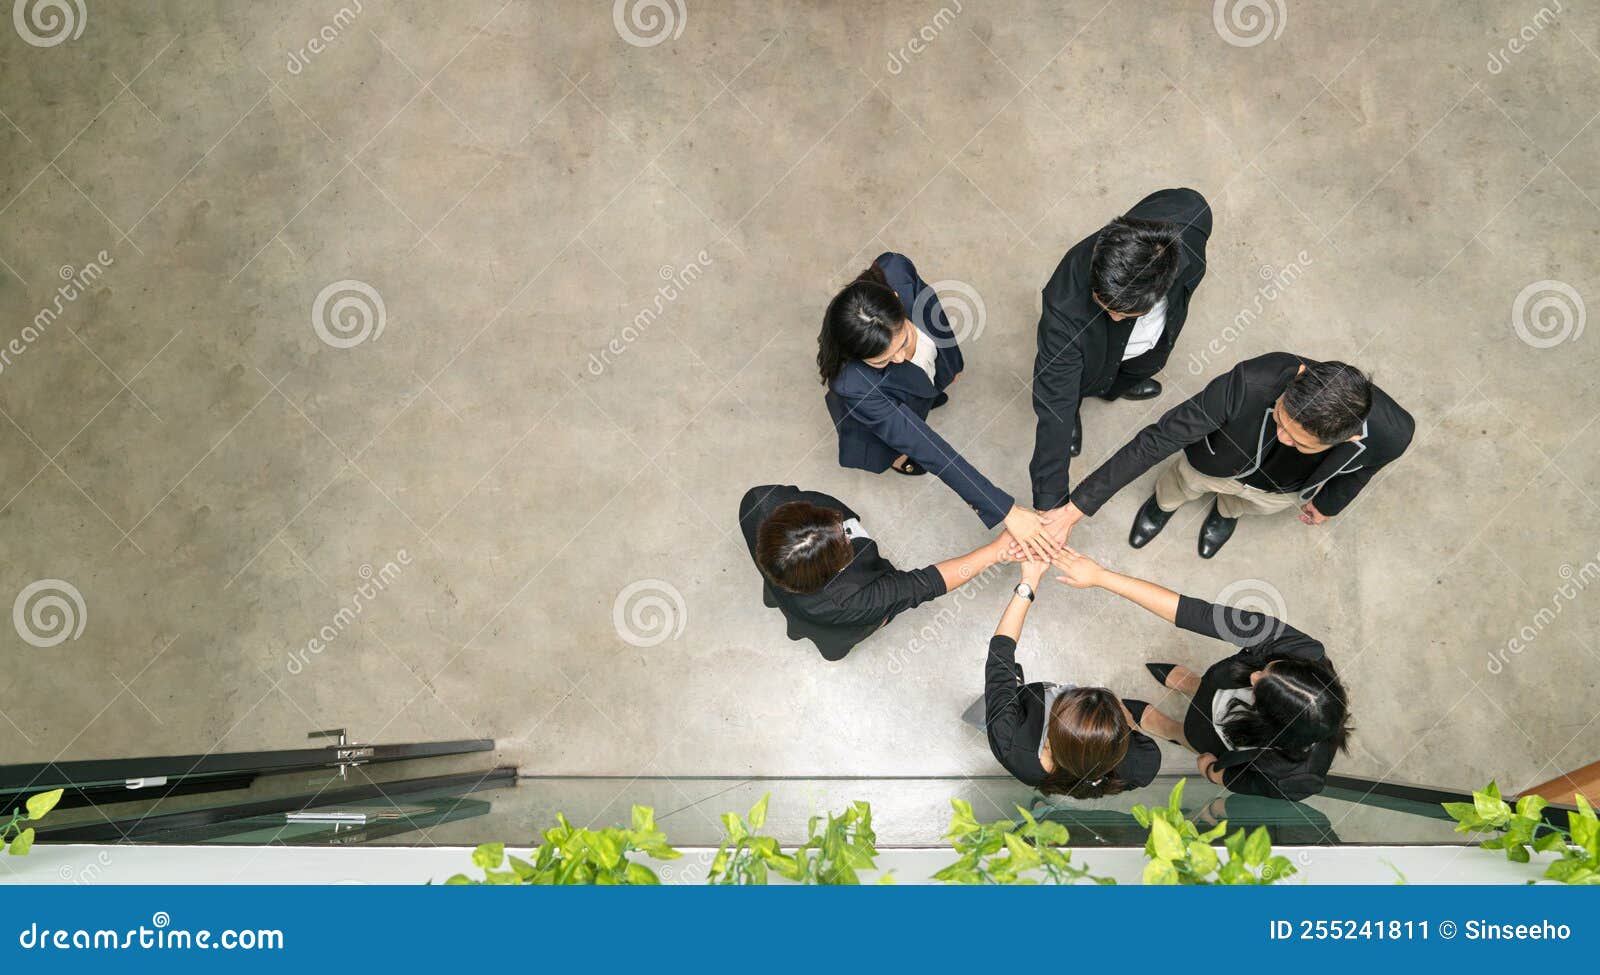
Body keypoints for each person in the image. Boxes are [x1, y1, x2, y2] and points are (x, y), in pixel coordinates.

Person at [1040, 353, 1415, 558]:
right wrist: (1077, 506)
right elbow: (1159, 439)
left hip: (1281, 490)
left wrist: (1329, 504)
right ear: (1298, 378)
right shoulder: (1254, 379)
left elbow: (1363, 471)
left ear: (1347, 437)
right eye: (1281, 420)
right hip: (1215, 463)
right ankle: (1162, 505)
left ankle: (1226, 513)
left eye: (1300, 442)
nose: (1282, 438)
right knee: (1181, 483)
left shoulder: (1394, 435)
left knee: (1247, 504)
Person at [1051, 548, 1350, 802]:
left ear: (1269, 720)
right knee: (1212, 684)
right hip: (1222, 685)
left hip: (1217, 735)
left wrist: (1214, 773)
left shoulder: (1299, 776)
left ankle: (1168, 728)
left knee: (1192, 733)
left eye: (1259, 688)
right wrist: (1101, 576)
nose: (1255, 676)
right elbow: (1198, 614)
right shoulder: (1303, 651)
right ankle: (1193, 684)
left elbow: (1251, 783)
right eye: (1268, 669)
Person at [821, 252, 1058, 561]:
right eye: (881, 361)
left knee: (924, 389)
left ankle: (926, 392)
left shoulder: (896, 270)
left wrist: (950, 359)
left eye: (903, 340)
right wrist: (1007, 511)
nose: (900, 358)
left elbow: (930, 308)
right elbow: (927, 446)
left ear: (895, 298)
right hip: (883, 409)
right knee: (898, 443)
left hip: (917, 382)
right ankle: (896, 455)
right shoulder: (856, 385)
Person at [1029, 187, 1212, 519]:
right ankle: (1081, 407)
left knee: (1137, 371)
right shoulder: (1064, 304)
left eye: (1124, 314)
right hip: (1091, 355)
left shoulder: (1191, 216)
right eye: (1104, 305)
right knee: (1074, 391)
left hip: (1147, 349)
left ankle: (1118, 386)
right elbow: (1055, 399)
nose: (1112, 317)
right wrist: (1049, 505)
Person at [738, 484, 1016, 661]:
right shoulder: (849, 599)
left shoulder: (758, 501)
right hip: (833, 619)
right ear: (835, 570)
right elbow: (923, 584)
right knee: (870, 621)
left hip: (783, 585)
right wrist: (996, 551)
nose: (842, 525)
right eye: (844, 537)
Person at [965, 559, 1161, 797]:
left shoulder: (1009, 741)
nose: (1070, 686)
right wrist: (1125, 718)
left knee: (997, 700)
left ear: (1052, 734)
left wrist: (1029, 582)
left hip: (1020, 706)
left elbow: (1000, 654)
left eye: (1067, 695)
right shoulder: (1143, 763)